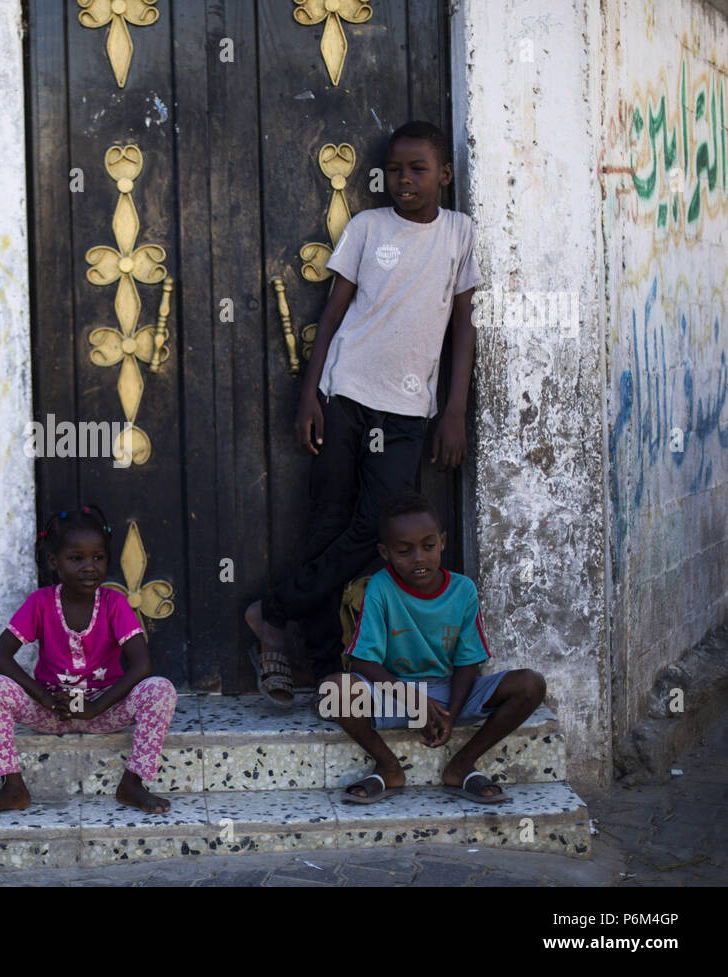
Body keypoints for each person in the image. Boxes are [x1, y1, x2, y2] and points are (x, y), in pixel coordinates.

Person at [246, 120, 482, 706]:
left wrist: (454, 410)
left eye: (418, 169)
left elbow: (463, 327)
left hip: (406, 410)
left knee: (376, 527)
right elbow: (331, 316)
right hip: (346, 393)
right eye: (395, 169)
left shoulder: (458, 234)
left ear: (443, 175)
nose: (404, 179)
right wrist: (309, 394)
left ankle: (272, 613)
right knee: (327, 525)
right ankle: (326, 663)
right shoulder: (368, 226)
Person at [321, 493, 546, 804]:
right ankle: (388, 767)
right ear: (385, 552)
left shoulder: (462, 589)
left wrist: (450, 715)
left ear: (442, 542)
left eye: (428, 546)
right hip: (393, 694)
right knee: (335, 690)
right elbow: (360, 661)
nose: (419, 558)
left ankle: (462, 764)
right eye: (404, 550)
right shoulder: (380, 588)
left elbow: (468, 662)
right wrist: (411, 699)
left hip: (449, 696)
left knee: (530, 683)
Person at [0, 505, 177, 817]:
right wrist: (45, 698)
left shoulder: (114, 603)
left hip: (103, 709)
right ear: (54, 562)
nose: (89, 567)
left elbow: (141, 665)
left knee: (160, 689)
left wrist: (96, 707)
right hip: (52, 710)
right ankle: (12, 788)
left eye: (98, 557)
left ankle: (132, 783)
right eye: (76, 559)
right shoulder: (39, 603)